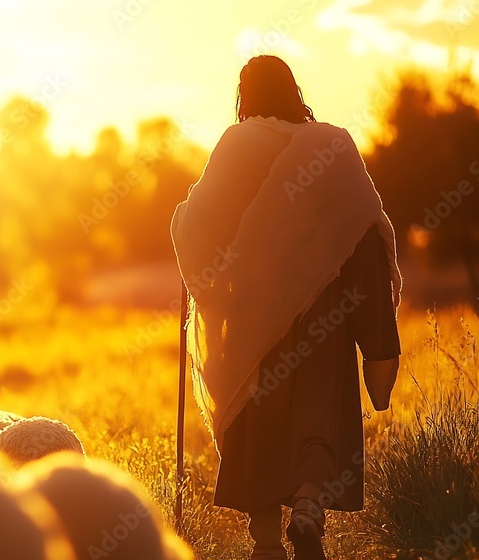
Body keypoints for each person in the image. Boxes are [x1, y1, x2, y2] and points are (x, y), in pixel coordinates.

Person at [170, 55, 402, 560]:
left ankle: (267, 542)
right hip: (328, 319)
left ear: (244, 96)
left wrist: (183, 215)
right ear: (295, 91)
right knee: (317, 418)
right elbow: (364, 242)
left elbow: (200, 227)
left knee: (258, 423)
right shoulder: (332, 149)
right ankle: (308, 508)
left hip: (256, 320)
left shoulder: (237, 148)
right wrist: (377, 339)